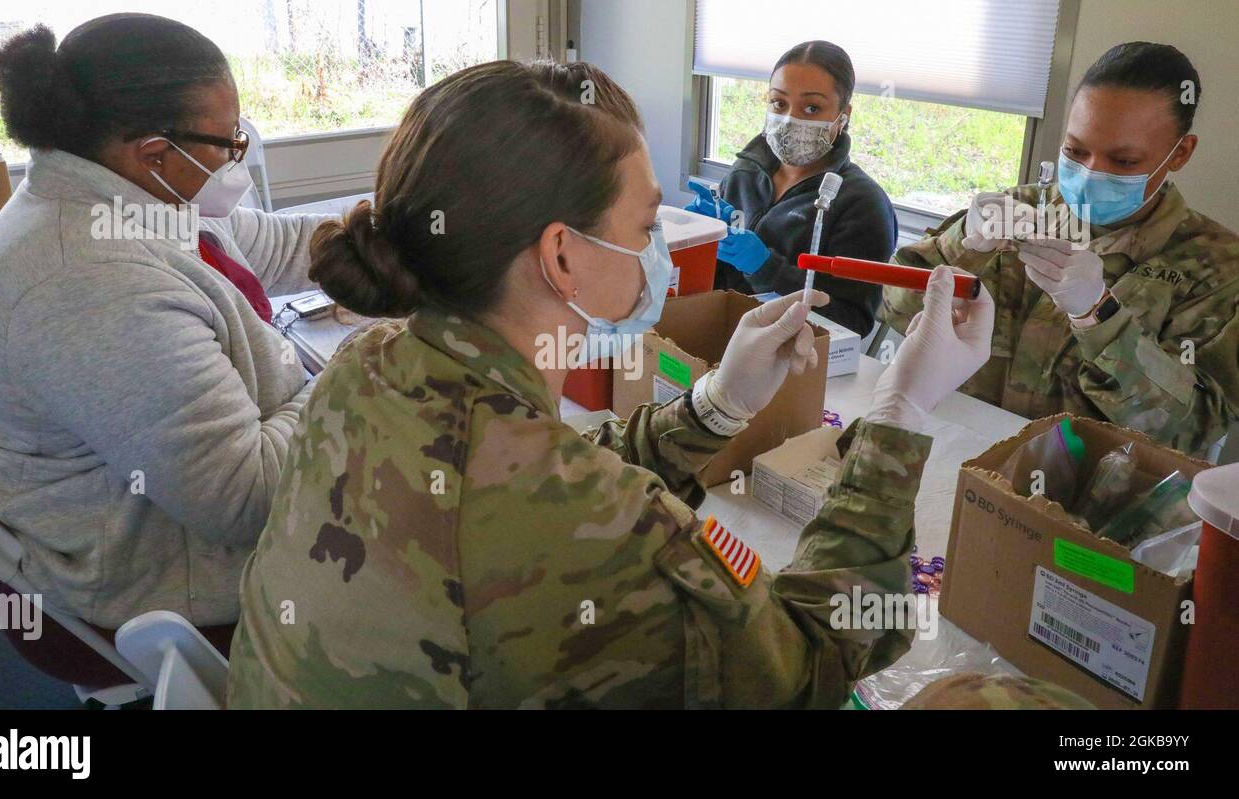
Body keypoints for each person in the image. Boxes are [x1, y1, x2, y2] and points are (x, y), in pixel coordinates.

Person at [226, 59, 993, 709]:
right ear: (563, 258)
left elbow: (562, 468)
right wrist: (902, 411)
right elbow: (810, 655)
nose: (656, 249)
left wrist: (718, 404)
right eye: (646, 225)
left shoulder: (365, 367)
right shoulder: (598, 523)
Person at [0, 14, 334, 685]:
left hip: (163, 509)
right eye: (228, 143)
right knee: (435, 557)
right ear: (154, 150)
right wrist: (352, 377)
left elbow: (259, 243)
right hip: (154, 585)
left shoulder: (118, 189)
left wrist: (371, 239)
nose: (237, 156)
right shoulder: (88, 282)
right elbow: (245, 498)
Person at [880, 42, 1239, 457]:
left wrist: (1099, 317)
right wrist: (962, 245)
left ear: (1180, 153)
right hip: (953, 454)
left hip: (1083, 500)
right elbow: (893, 308)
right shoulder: (1017, 211)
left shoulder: (1217, 268)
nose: (1090, 173)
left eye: (1123, 162)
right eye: (1075, 151)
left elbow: (1192, 429)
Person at [689, 41, 897, 338]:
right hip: (716, 338)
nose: (789, 119)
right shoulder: (744, 175)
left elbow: (851, 322)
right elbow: (711, 284)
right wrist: (695, 241)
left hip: (791, 358)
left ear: (843, 114)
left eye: (812, 108)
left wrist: (767, 268)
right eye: (779, 103)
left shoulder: (862, 204)